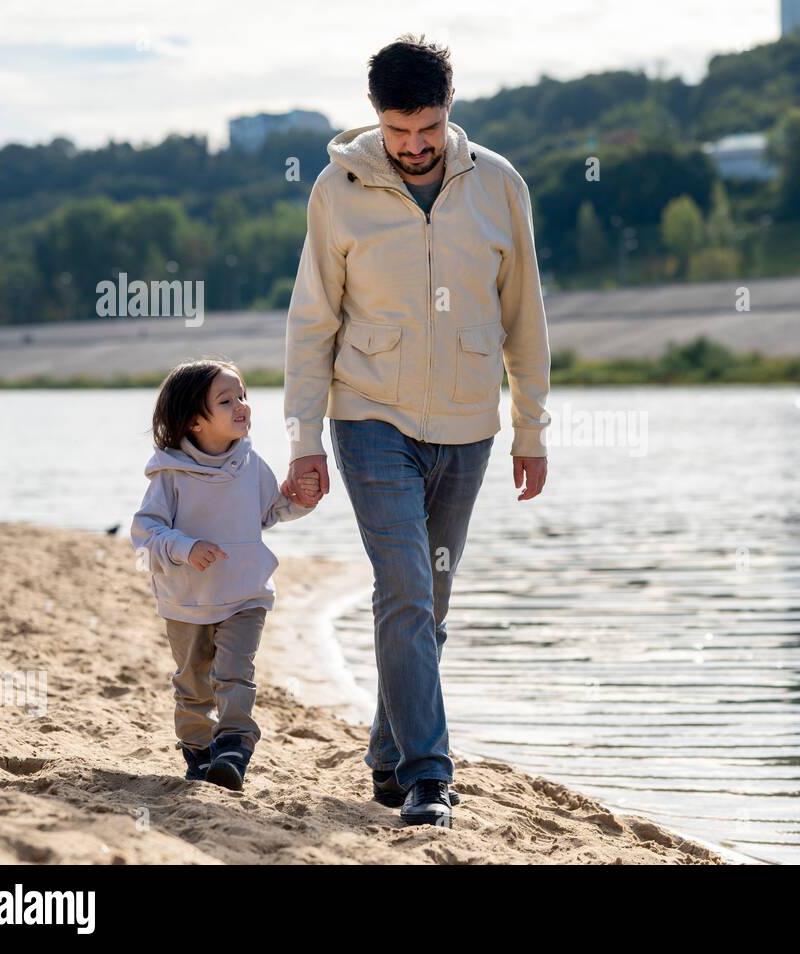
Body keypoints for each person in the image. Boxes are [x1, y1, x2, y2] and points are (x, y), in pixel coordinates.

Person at [282, 33, 552, 828]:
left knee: (427, 601)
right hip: (368, 416)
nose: (413, 147)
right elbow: (312, 320)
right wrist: (303, 439)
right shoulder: (337, 190)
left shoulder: (499, 187)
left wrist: (530, 428)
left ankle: (388, 757)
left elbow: (524, 316)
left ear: (448, 112)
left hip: (468, 425)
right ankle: (432, 772)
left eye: (427, 130)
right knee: (401, 583)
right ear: (376, 119)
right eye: (398, 133)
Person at [131, 359, 317, 791]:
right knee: (194, 683)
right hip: (187, 600)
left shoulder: (251, 463)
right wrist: (186, 548)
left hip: (246, 593)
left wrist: (302, 499)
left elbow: (271, 510)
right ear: (196, 421)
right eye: (226, 400)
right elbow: (145, 532)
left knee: (235, 672)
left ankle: (234, 746)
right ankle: (199, 755)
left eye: (243, 396)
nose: (242, 406)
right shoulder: (170, 474)